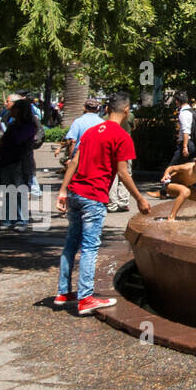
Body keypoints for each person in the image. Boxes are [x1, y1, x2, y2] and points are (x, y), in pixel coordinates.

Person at [55, 93, 153, 314]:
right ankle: (86, 298)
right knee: (89, 247)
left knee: (71, 242)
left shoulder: (89, 132)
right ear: (126, 111)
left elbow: (74, 161)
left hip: (75, 193)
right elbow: (123, 173)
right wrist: (139, 198)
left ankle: (63, 292)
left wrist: (62, 190)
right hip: (93, 197)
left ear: (107, 108)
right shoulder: (122, 136)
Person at [0, 97, 40, 229]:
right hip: (7, 161)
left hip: (20, 162)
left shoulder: (29, 125)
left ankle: (21, 220)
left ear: (20, 110)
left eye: (13, 108)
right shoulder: (13, 125)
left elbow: (18, 140)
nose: (10, 111)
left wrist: (4, 144)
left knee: (20, 191)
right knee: (7, 191)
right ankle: (7, 220)